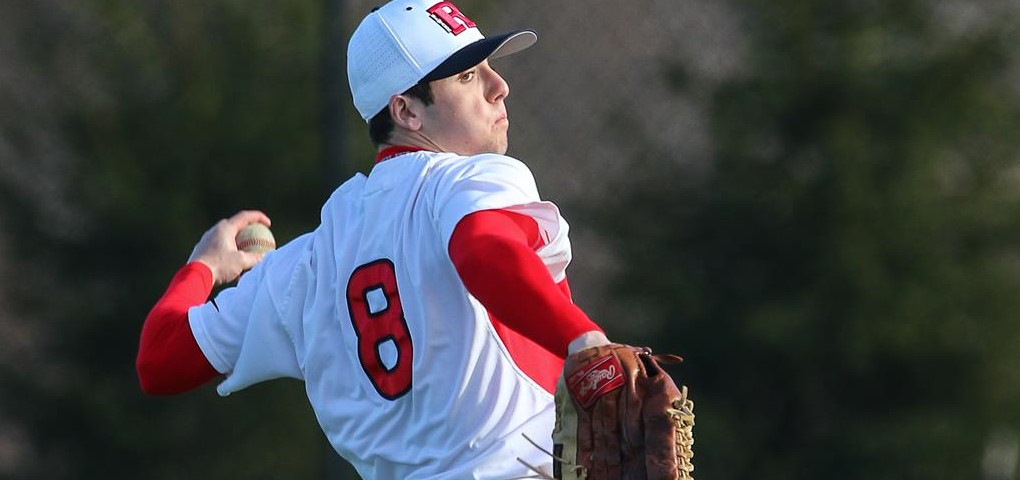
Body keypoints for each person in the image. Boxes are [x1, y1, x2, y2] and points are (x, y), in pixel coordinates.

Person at [136, 1, 611, 477]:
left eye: (488, 68)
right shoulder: (465, 182)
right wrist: (585, 341)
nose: (499, 87)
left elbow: (160, 361)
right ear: (405, 111)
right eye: (466, 77)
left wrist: (204, 268)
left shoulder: (303, 267)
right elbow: (482, 247)